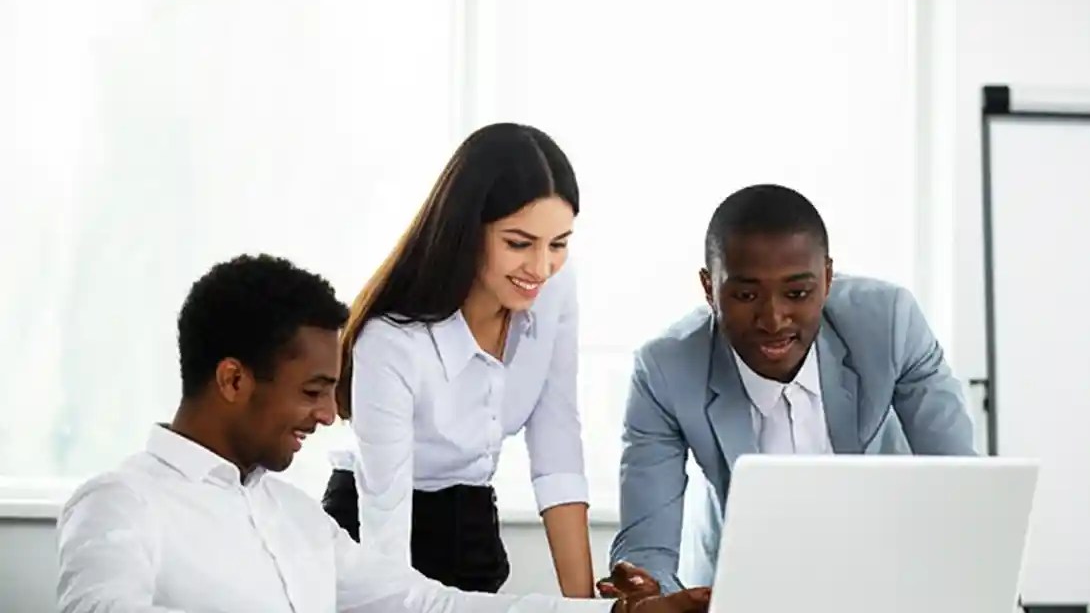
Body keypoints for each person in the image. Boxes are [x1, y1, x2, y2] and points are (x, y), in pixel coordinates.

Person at [56, 253, 709, 613]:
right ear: (233, 380)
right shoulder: (120, 501)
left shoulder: (295, 518)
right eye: (313, 391)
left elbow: (429, 605)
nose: (326, 414)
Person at [608, 184, 978, 593]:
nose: (773, 318)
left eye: (797, 293)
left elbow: (961, 486)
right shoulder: (665, 369)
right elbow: (647, 551)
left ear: (828, 279)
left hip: (881, 570)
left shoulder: (889, 324)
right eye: (746, 294)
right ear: (709, 289)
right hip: (738, 585)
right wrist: (645, 594)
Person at [322, 123, 594, 597]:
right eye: (518, 243)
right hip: (377, 518)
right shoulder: (391, 340)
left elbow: (557, 445)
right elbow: (384, 525)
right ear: (468, 230)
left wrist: (586, 606)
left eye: (559, 244)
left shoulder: (552, 291)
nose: (542, 267)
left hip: (469, 523)